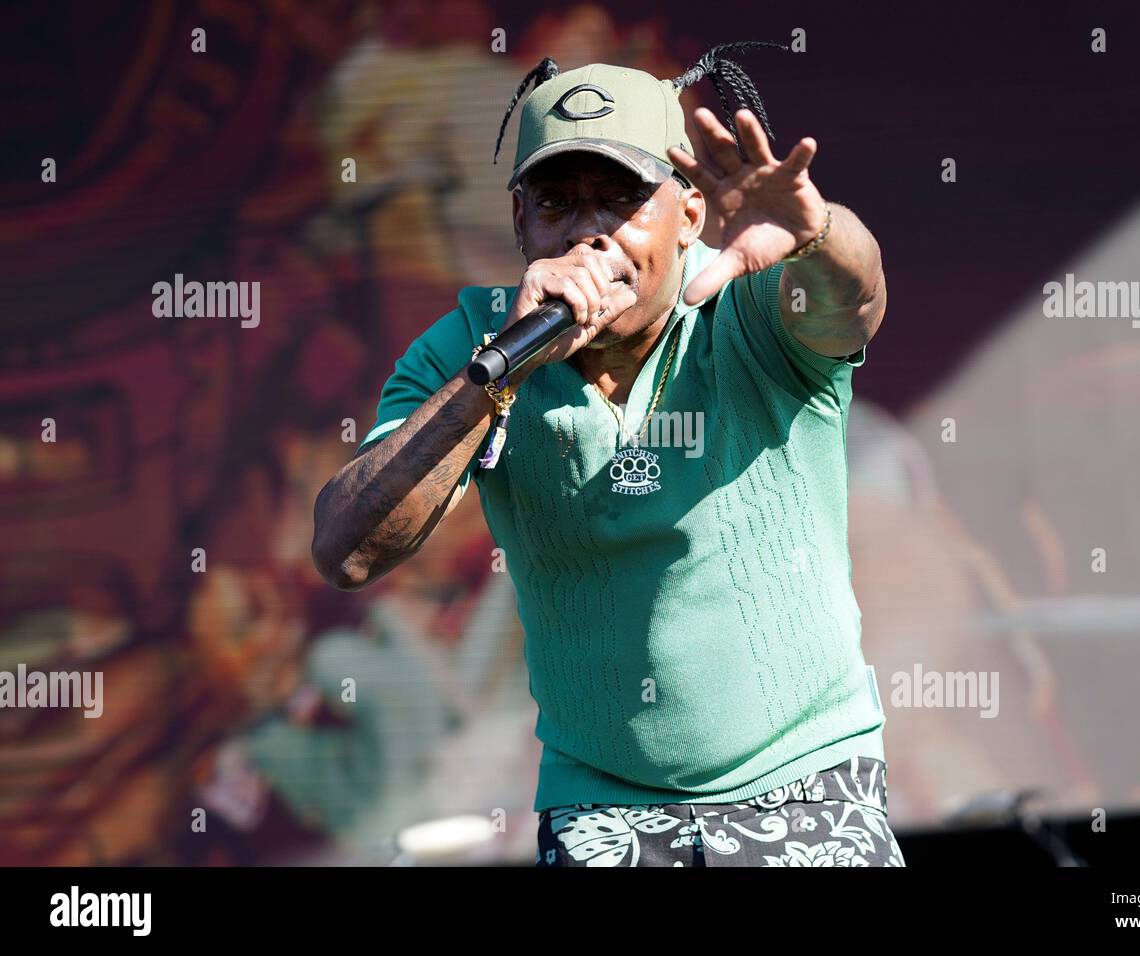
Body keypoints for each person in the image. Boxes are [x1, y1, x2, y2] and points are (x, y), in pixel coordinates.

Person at [311, 41, 902, 866]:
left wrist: (821, 233)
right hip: (604, 807)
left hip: (801, 782)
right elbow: (347, 549)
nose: (588, 234)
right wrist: (501, 372)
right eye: (557, 203)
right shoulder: (474, 346)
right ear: (521, 223)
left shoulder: (752, 294)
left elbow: (856, 302)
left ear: (689, 212)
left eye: (621, 200)